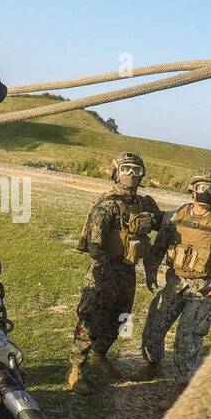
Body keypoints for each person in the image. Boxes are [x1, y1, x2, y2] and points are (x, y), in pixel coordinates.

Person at [67, 151, 162, 392]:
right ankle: (76, 368)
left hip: (127, 271)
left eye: (136, 171)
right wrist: (102, 275)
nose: (130, 175)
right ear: (115, 172)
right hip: (103, 270)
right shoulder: (106, 205)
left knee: (121, 315)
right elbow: (95, 245)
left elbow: (163, 223)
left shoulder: (145, 205)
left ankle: (99, 355)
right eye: (125, 169)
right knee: (91, 318)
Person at [142, 169, 211, 381]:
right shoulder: (175, 216)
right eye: (201, 187)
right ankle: (152, 366)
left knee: (187, 340)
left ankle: (182, 387)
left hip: (203, 291)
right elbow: (159, 246)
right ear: (192, 191)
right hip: (175, 284)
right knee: (154, 327)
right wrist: (151, 271)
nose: (205, 192)